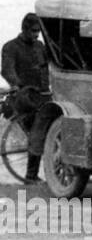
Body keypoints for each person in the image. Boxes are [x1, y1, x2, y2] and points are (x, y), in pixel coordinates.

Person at [2, 13, 52, 184]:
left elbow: (47, 68)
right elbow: (7, 70)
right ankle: (31, 176)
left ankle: (36, 174)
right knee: (35, 132)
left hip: (42, 96)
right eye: (33, 31)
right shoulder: (10, 47)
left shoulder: (40, 46)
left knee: (43, 132)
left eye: (38, 31)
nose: (36, 34)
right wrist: (16, 85)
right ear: (24, 29)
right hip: (24, 98)